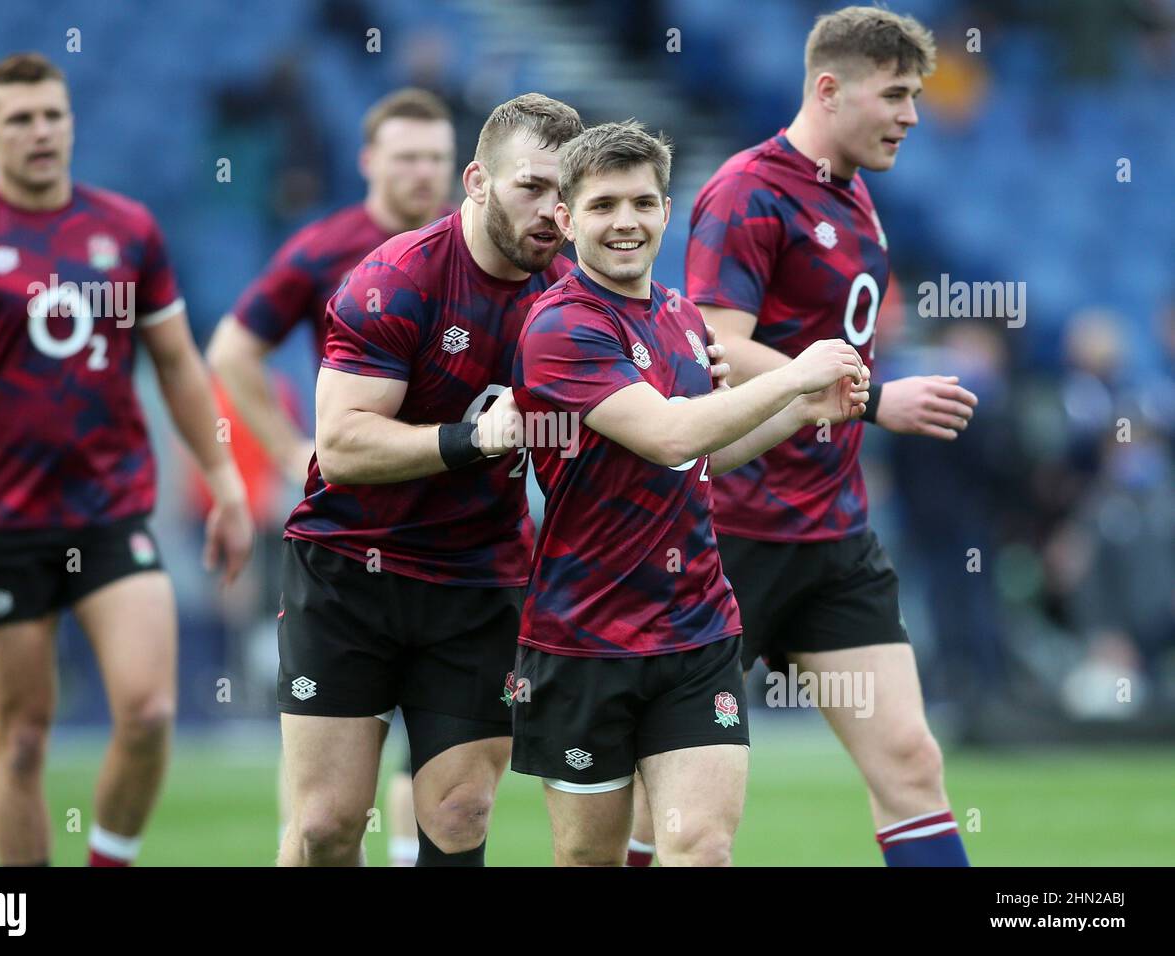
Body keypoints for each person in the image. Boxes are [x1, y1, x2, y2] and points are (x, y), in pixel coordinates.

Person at [633, 6, 977, 867]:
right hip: (728, 533)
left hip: (830, 533)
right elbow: (715, 346)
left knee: (911, 760)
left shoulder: (856, 194)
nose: (911, 114)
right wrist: (871, 402)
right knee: (682, 822)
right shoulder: (749, 190)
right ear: (829, 88)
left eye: (914, 96)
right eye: (895, 93)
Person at [0, 52, 254, 866]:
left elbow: (179, 366)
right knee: (20, 743)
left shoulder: (127, 231)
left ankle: (106, 860)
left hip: (109, 511)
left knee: (151, 711)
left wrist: (225, 481)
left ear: (72, 122)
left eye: (53, 114)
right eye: (20, 119)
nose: (41, 130)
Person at [510, 120, 869, 866]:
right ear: (568, 220)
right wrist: (793, 375)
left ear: (667, 213)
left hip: (696, 626)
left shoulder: (680, 315)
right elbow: (670, 435)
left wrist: (802, 412)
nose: (626, 222)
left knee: (700, 847)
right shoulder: (561, 325)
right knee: (589, 859)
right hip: (584, 635)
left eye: (643, 202)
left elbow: (700, 456)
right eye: (604, 205)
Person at [275, 93, 583, 867]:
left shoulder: (573, 299)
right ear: (476, 182)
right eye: (532, 187)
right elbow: (341, 446)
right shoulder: (396, 278)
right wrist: (468, 441)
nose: (552, 211)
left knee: (459, 810)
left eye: (565, 194)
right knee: (324, 826)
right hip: (349, 570)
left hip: (478, 580)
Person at [207, 86, 456, 867]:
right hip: (350, 531)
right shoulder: (325, 247)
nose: (424, 173)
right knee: (320, 813)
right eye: (408, 157)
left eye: (438, 158)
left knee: (444, 781)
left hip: (459, 534)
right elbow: (231, 350)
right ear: (368, 161)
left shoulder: (481, 247)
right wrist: (289, 448)